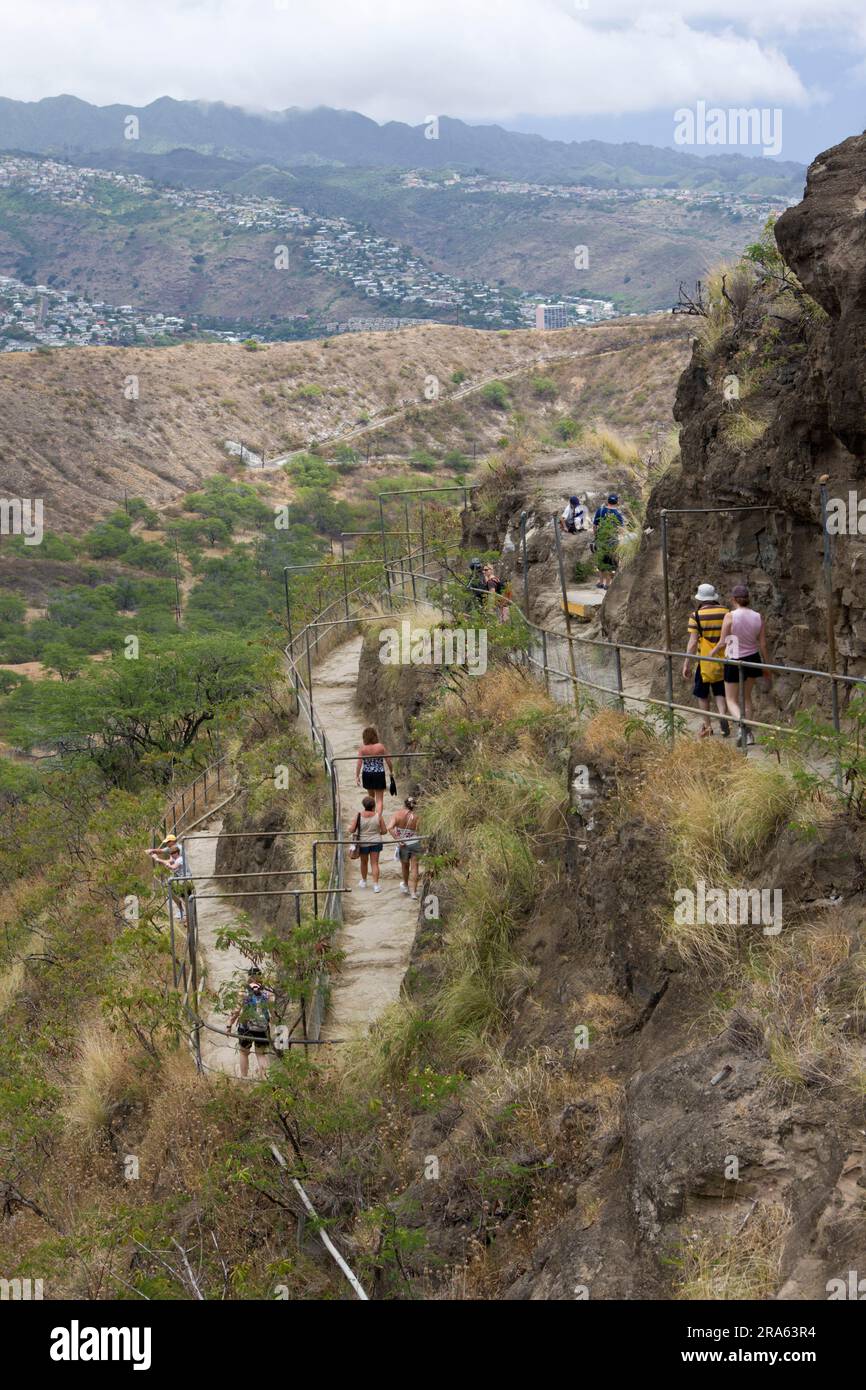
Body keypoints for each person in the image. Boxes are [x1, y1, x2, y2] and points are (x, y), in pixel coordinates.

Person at [707, 584, 772, 747]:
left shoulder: (730, 616)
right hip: (753, 658)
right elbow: (763, 644)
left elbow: (722, 642)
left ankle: (742, 727)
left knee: (731, 699)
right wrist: (767, 666)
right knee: (747, 697)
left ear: (733, 599)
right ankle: (748, 733)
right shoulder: (758, 616)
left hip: (734, 659)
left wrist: (711, 653)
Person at [682, 583, 731, 739]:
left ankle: (708, 726)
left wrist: (687, 663)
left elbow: (692, 642)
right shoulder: (726, 612)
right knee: (720, 691)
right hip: (724, 659)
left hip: (704, 660)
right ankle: (723, 716)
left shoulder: (695, 616)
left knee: (702, 694)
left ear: (700, 599)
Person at [227, 967, 275, 1078]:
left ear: (249, 977)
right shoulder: (268, 993)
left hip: (246, 1028)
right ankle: (267, 1081)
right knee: (261, 1054)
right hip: (262, 1028)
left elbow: (236, 1011)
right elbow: (273, 1013)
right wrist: (274, 1025)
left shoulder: (243, 992)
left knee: (244, 1052)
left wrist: (229, 1024)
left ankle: (244, 1078)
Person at [147, 835, 189, 921]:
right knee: (171, 892)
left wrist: (157, 859)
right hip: (177, 877)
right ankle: (182, 911)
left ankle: (187, 915)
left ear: (172, 841)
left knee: (184, 897)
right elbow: (161, 850)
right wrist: (152, 850)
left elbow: (171, 864)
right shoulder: (172, 848)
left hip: (184, 878)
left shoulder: (178, 851)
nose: (166, 844)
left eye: (167, 842)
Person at [350, 795, 387, 893]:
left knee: (364, 862)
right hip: (376, 841)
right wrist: (376, 833)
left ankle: (364, 881)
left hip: (363, 842)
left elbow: (352, 830)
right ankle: (376, 885)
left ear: (363, 805)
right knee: (374, 863)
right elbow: (384, 831)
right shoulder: (378, 815)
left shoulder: (358, 815)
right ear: (373, 805)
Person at [387, 797, 422, 900]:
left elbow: (389, 827)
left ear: (404, 804)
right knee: (415, 867)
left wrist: (398, 839)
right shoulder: (418, 817)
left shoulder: (398, 814)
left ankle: (406, 886)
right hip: (415, 842)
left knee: (405, 866)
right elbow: (420, 830)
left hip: (403, 844)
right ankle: (414, 892)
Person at [355, 725, 394, 815]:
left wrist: (357, 776)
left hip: (367, 774)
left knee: (371, 798)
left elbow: (359, 764)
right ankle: (378, 819)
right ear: (375, 736)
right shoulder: (380, 746)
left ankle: (370, 816)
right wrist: (391, 771)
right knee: (379, 800)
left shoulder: (362, 749)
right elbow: (388, 760)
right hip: (379, 773)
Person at [592, 494, 626, 590]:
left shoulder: (601, 510)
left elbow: (594, 526)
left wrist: (596, 537)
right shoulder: (618, 514)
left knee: (601, 560)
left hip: (601, 539)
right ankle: (608, 583)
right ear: (617, 502)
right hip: (612, 541)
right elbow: (621, 529)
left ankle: (600, 582)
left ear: (607, 501)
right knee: (611, 562)